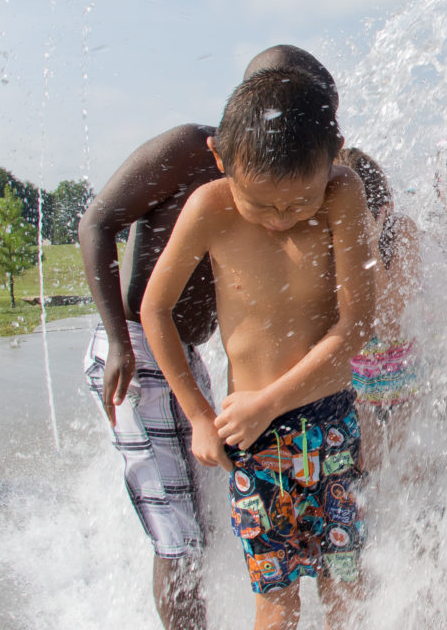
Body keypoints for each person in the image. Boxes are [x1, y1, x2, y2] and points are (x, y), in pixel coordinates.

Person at [78, 44, 337, 630]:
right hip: (136, 348)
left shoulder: (286, 178)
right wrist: (119, 338)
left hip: (182, 352)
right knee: (179, 537)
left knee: (208, 520)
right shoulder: (189, 151)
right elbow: (97, 221)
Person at [140, 66, 375, 629]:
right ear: (221, 158)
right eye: (262, 204)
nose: (282, 218)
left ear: (333, 155)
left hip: (329, 418)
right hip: (254, 439)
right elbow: (154, 310)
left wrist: (270, 400)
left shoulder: (342, 193)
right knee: (277, 598)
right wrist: (198, 415)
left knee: (347, 582)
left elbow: (357, 325)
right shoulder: (210, 208)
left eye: (300, 201)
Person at [338, 147, 422, 475]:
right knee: (364, 486)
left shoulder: (402, 232)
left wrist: (369, 244)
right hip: (355, 391)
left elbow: (390, 322)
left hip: (407, 383)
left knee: (413, 482)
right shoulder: (326, 240)